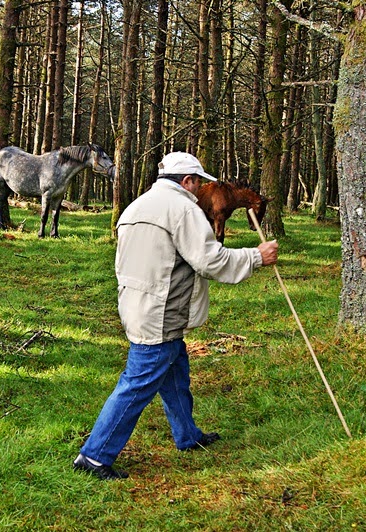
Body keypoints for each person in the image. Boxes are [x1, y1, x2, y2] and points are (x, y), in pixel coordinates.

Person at [73, 151, 278, 479]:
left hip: (136, 304)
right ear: (187, 181)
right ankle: (94, 456)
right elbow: (211, 261)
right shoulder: (183, 209)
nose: (200, 190)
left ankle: (187, 436)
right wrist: (256, 257)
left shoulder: (136, 206)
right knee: (138, 383)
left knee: (175, 372)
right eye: (198, 182)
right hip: (161, 311)